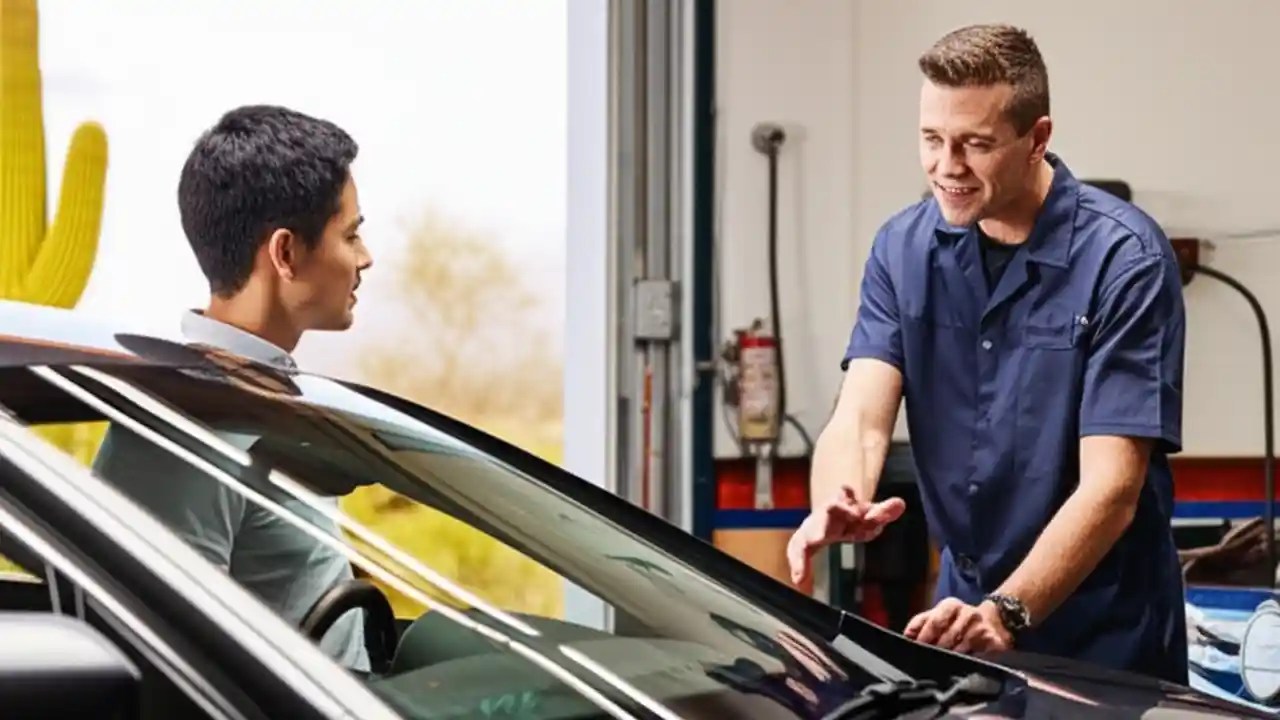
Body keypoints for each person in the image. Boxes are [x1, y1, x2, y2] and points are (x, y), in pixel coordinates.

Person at [785, 24, 1188, 684]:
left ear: (1038, 138)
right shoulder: (901, 251)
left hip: (1108, 632)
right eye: (932, 140)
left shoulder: (1125, 260)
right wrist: (839, 497)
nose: (948, 166)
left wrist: (1010, 610)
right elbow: (861, 415)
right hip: (966, 618)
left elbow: (1113, 488)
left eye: (975, 144)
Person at [92, 104, 374, 671]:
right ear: (286, 253)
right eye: (351, 235)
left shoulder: (257, 395)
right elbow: (177, 669)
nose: (365, 258)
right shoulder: (187, 425)